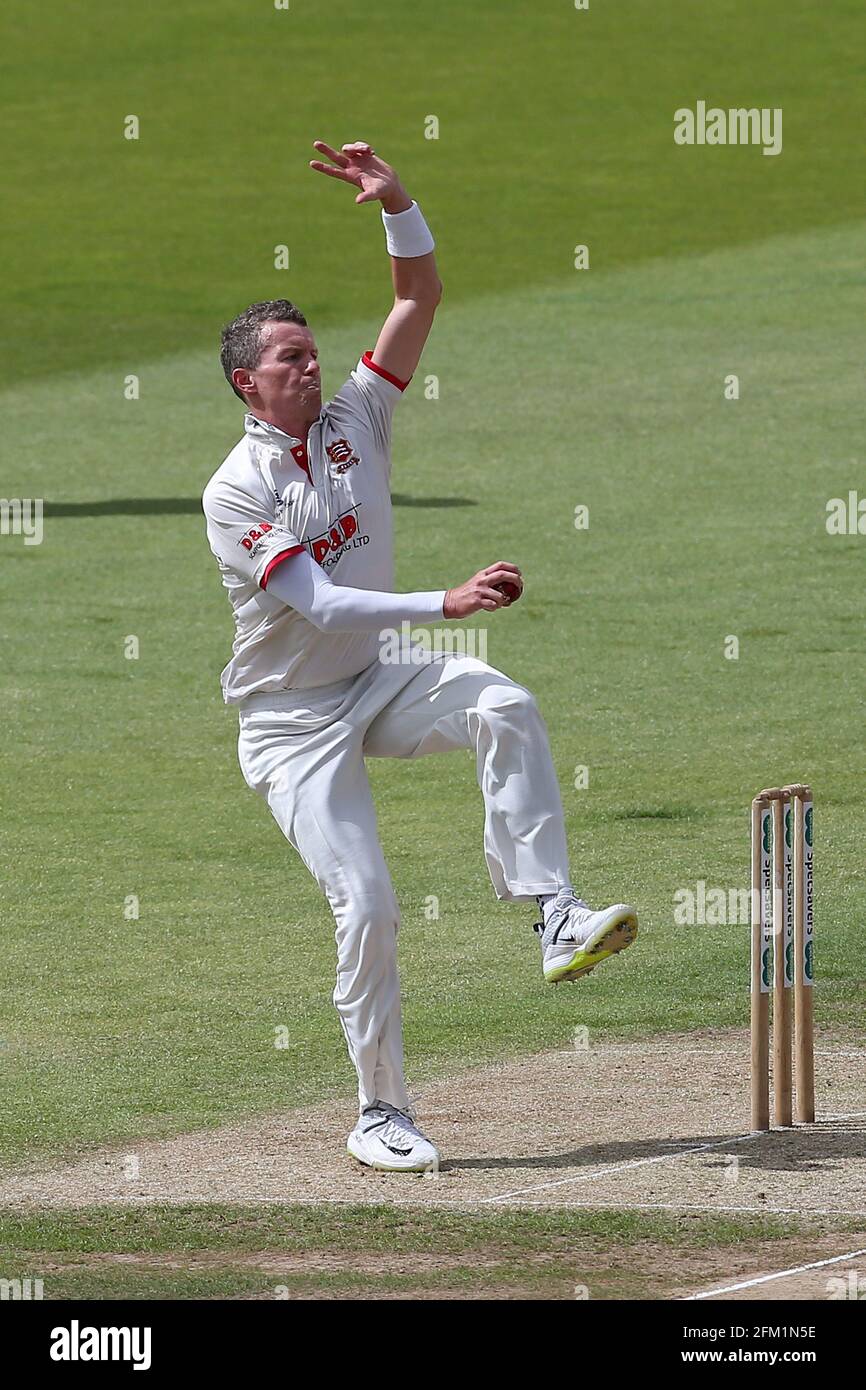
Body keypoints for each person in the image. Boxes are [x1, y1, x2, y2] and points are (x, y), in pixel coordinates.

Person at [202, 140, 638, 1173]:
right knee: (372, 906)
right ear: (245, 386)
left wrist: (396, 198)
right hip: (290, 723)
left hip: (379, 677)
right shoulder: (234, 492)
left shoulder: (360, 412)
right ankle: (378, 1112)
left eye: (312, 352)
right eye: (287, 361)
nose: (311, 367)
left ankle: (552, 913)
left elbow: (419, 293)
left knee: (502, 702)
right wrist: (441, 600)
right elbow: (313, 599)